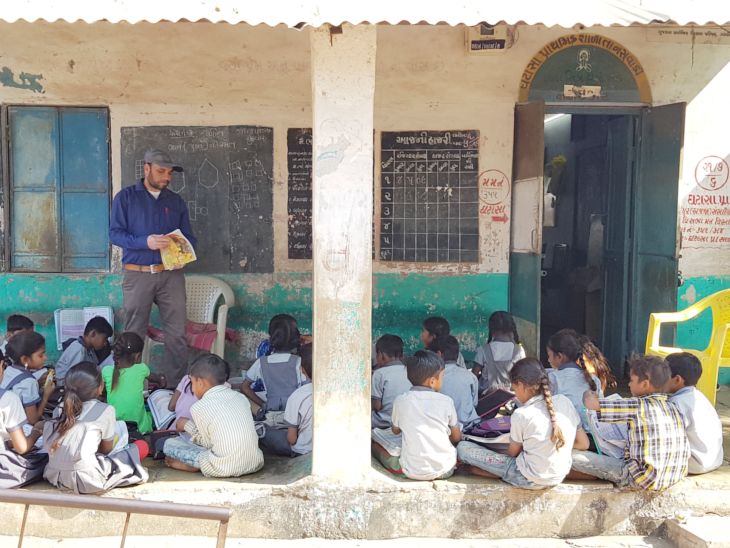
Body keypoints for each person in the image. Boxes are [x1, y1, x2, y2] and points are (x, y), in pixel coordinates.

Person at [110, 149, 197, 387]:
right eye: (161, 171)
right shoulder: (126, 198)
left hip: (171, 275)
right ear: (146, 168)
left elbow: (189, 237)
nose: (166, 177)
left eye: (169, 173)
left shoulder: (175, 201)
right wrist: (144, 242)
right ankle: (130, 386)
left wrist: (184, 254)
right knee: (134, 334)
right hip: (137, 273)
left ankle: (175, 389)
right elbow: (114, 234)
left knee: (177, 334)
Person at [458, 358, 590, 489]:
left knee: (463, 447)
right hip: (559, 475)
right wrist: (551, 446)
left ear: (522, 385)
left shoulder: (522, 414)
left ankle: (494, 472)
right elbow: (584, 443)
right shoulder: (564, 401)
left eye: (514, 389)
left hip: (528, 478)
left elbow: (512, 454)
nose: (515, 395)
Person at [571, 355, 690, 491]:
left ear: (645, 384)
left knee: (572, 457)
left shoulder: (636, 405)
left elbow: (590, 404)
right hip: (674, 476)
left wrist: (588, 393)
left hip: (640, 479)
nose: (628, 384)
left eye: (632, 380)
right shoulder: (674, 407)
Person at [43, 362, 149, 494]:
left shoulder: (60, 408)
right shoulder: (106, 410)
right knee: (141, 446)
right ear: (100, 388)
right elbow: (106, 450)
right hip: (86, 478)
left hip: (55, 474)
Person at [163, 353, 264, 477]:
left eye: (192, 383)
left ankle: (196, 465)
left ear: (200, 382)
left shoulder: (199, 407)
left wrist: (186, 425)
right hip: (254, 462)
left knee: (169, 444)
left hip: (222, 467)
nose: (192, 389)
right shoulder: (240, 397)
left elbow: (207, 443)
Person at [389, 350, 461, 480]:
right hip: (445, 469)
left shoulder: (400, 400)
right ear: (432, 381)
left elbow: (395, 431)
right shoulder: (446, 401)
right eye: (442, 376)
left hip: (411, 470)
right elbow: (456, 437)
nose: (443, 379)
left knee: (380, 448)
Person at [665, 352, 723, 475]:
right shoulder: (699, 396)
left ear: (677, 379)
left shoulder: (676, 403)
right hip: (714, 459)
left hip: (695, 463)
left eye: (663, 376)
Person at [102, 332, 166, 435]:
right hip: (140, 429)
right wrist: (162, 379)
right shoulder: (141, 369)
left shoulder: (106, 371)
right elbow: (158, 380)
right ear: (137, 356)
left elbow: (102, 392)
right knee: (153, 414)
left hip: (115, 428)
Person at [241, 315, 304, 416]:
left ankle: (261, 414)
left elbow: (244, 387)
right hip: (296, 413)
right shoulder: (298, 362)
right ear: (296, 338)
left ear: (271, 336)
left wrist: (263, 405)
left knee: (240, 398)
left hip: (271, 414)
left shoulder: (261, 362)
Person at [0, 358, 48, 488]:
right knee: (48, 459)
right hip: (2, 468)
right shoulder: (8, 399)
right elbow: (22, 448)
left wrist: (8, 443)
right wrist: (36, 432)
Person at [260, 344, 313, 457]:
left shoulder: (298, 395)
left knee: (263, 432)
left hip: (302, 450)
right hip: (324, 447)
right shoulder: (337, 392)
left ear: (302, 370)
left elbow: (292, 439)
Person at [546, 329, 602, 432]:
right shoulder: (594, 379)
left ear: (559, 356)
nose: (548, 360)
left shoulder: (552, 378)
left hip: (569, 436)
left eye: (549, 356)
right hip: (594, 437)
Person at [1, 331, 54, 424]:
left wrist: (37, 383)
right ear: (25, 359)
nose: (45, 358)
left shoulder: (9, 369)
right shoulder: (29, 382)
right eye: (41, 355)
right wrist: (46, 395)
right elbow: (32, 420)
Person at [472, 311, 525, 394]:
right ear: (511, 328)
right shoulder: (518, 350)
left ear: (491, 329)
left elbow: (473, 376)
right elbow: (523, 375)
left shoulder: (483, 350)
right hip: (511, 398)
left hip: (488, 397)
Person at [432, 335, 479, 427]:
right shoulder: (470, 376)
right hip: (469, 426)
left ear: (439, 354)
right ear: (458, 355)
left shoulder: (432, 379)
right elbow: (475, 404)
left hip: (444, 427)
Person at [55, 316, 113, 387]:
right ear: (93, 334)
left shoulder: (90, 348)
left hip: (80, 380)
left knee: (112, 358)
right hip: (66, 386)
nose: (105, 343)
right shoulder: (78, 349)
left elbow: (95, 367)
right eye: (104, 338)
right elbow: (73, 379)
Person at [371, 334, 412, 429]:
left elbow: (377, 406)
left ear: (381, 355)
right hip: (405, 421)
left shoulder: (379, 373)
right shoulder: (409, 371)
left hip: (385, 422)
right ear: (402, 355)